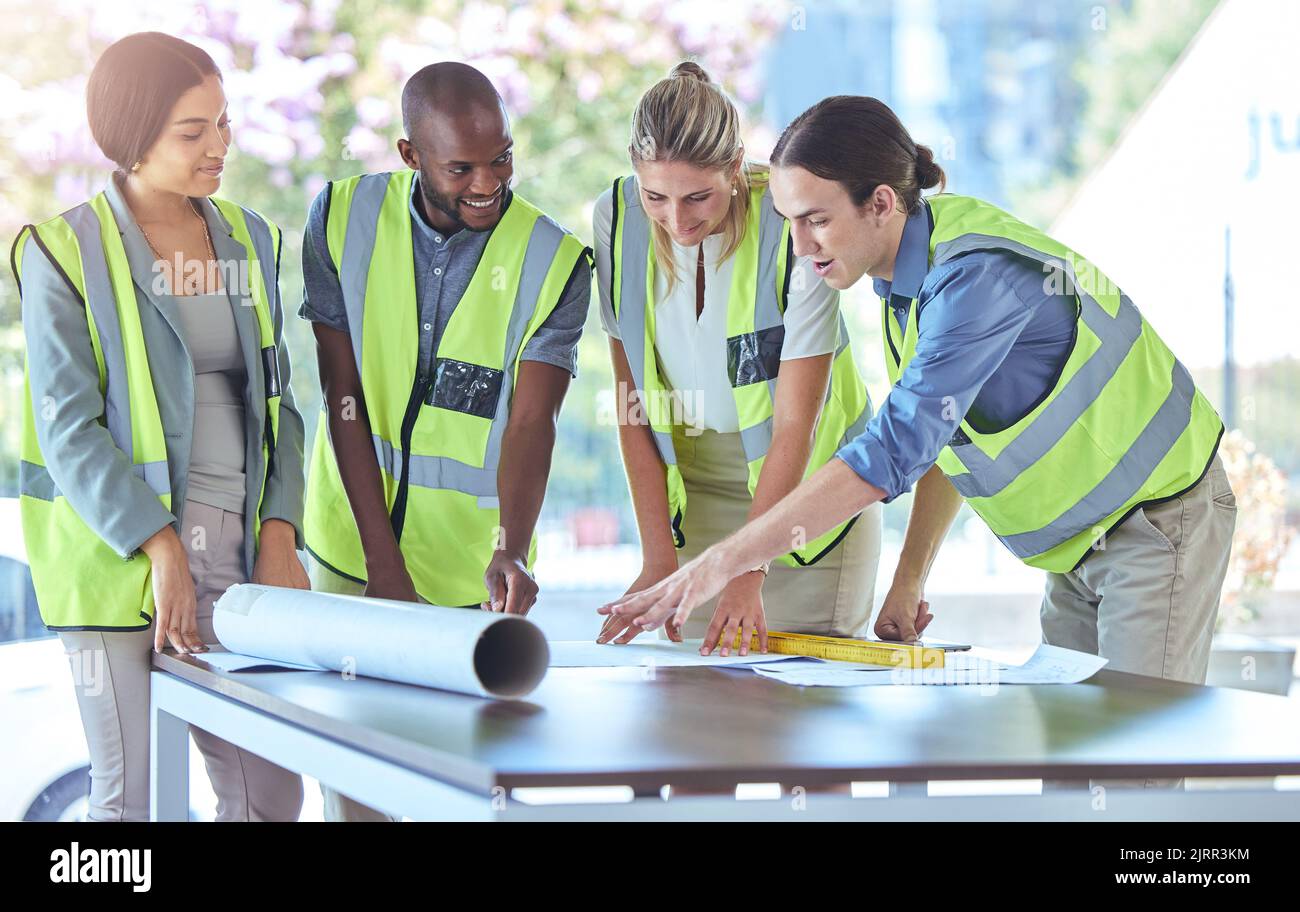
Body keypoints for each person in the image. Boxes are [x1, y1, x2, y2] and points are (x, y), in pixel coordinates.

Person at [601, 94, 1235, 691]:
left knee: (1138, 780)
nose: (801, 246)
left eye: (818, 220)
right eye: (791, 222)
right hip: (1078, 551)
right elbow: (950, 437)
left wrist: (723, 563)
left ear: (880, 202)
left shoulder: (972, 279)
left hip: (1155, 526)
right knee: (1076, 768)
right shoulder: (908, 278)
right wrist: (908, 583)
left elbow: (892, 449)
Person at [13, 32, 308, 821]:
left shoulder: (250, 239)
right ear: (133, 137)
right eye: (193, 131)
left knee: (270, 796)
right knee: (128, 801)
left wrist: (280, 529)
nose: (219, 147)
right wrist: (160, 543)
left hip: (240, 556)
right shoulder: (61, 250)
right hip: (119, 565)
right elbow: (69, 427)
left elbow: (283, 407)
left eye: (224, 124)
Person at [299, 62, 591, 820]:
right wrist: (380, 566)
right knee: (358, 794)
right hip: (351, 562)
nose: (488, 181)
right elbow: (345, 399)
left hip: (469, 583)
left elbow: (533, 422)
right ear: (410, 155)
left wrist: (513, 546)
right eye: (461, 167)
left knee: (456, 796)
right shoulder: (339, 219)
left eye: (502, 158)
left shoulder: (554, 261)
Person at [593, 63, 881, 654]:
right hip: (696, 498)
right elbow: (632, 405)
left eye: (698, 196)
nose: (678, 221)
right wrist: (656, 558)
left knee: (800, 714)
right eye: (656, 196)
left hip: (807, 505)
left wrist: (749, 570)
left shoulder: (790, 224)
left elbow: (796, 424)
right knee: (702, 712)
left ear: (735, 167)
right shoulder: (616, 219)